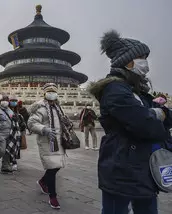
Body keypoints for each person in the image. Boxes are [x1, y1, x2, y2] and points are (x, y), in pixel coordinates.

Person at [88, 30, 172, 214]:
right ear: (128, 61)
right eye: (141, 57)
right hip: (120, 168)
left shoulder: (138, 91)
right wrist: (158, 116)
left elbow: (164, 118)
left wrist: (159, 114)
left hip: (143, 167)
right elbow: (144, 125)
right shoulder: (114, 90)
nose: (145, 63)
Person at [28, 83, 70, 210]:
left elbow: (61, 122)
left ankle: (42, 181)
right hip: (47, 141)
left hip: (59, 141)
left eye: (54, 91)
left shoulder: (58, 108)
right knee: (52, 168)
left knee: (56, 167)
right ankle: (53, 196)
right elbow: (31, 123)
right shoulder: (41, 108)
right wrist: (44, 129)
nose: (52, 93)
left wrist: (66, 122)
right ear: (44, 93)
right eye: (49, 91)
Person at [8, 95, 26, 171]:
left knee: (16, 148)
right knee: (9, 148)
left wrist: (23, 134)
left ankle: (14, 162)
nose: (14, 102)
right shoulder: (6, 112)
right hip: (8, 133)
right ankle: (9, 162)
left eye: (15, 101)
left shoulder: (19, 114)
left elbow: (23, 125)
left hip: (17, 134)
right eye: (12, 101)